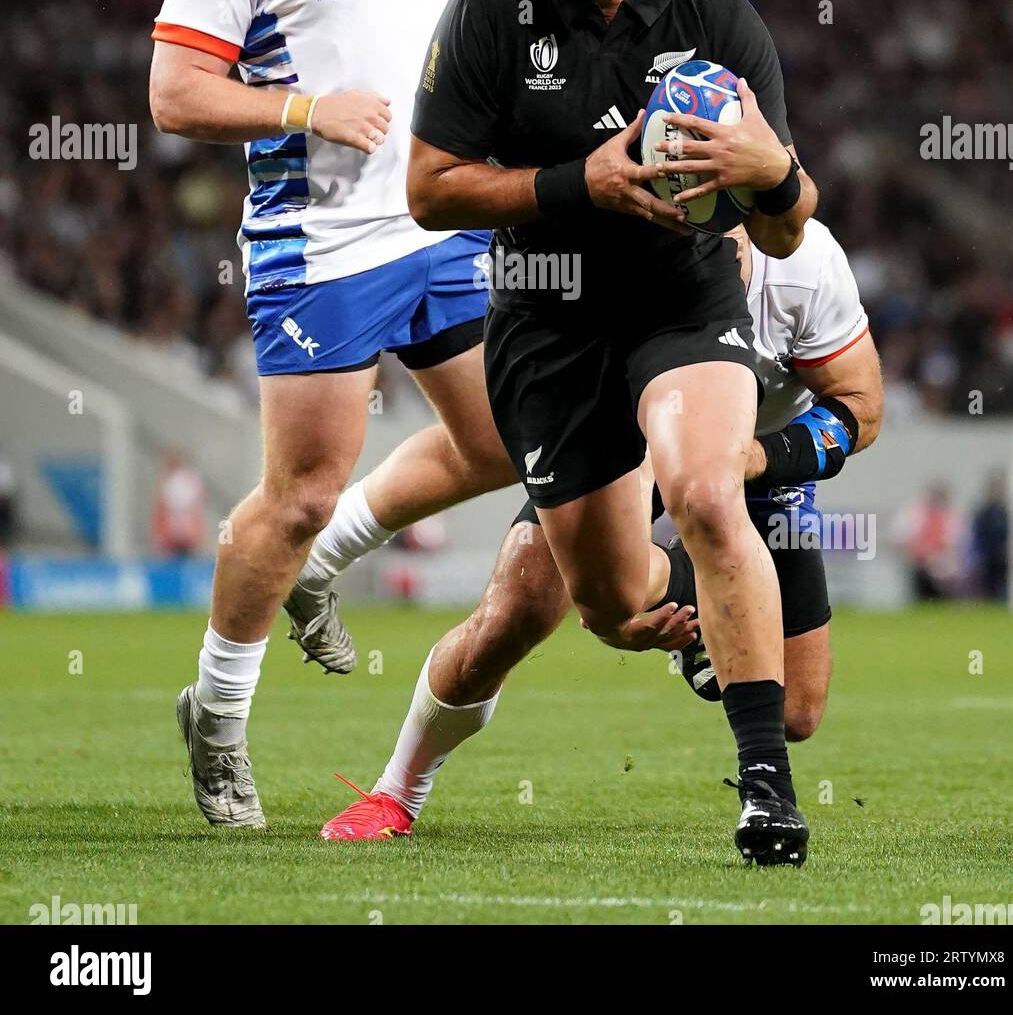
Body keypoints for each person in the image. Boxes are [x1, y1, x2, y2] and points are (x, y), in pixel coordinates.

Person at [401, 0, 818, 864]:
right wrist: (573, 182)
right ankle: (676, 604)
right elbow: (428, 191)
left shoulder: (718, 20)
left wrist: (766, 170)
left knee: (707, 487)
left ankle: (764, 787)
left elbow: (777, 231)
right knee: (606, 602)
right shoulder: (488, 10)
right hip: (547, 328)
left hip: (682, 303)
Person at [149, 0, 517, 830]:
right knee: (298, 492)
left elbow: (451, 60)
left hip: (433, 225)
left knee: (504, 441)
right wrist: (305, 107)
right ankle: (215, 717)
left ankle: (328, 561)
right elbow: (172, 96)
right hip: (320, 249)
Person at [318, 219, 882, 853]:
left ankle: (685, 595)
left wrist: (754, 458)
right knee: (518, 605)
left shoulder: (806, 263)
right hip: (626, 446)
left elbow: (861, 407)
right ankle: (395, 791)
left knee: (795, 712)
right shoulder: (626, 252)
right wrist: (609, 604)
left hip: (762, 464)